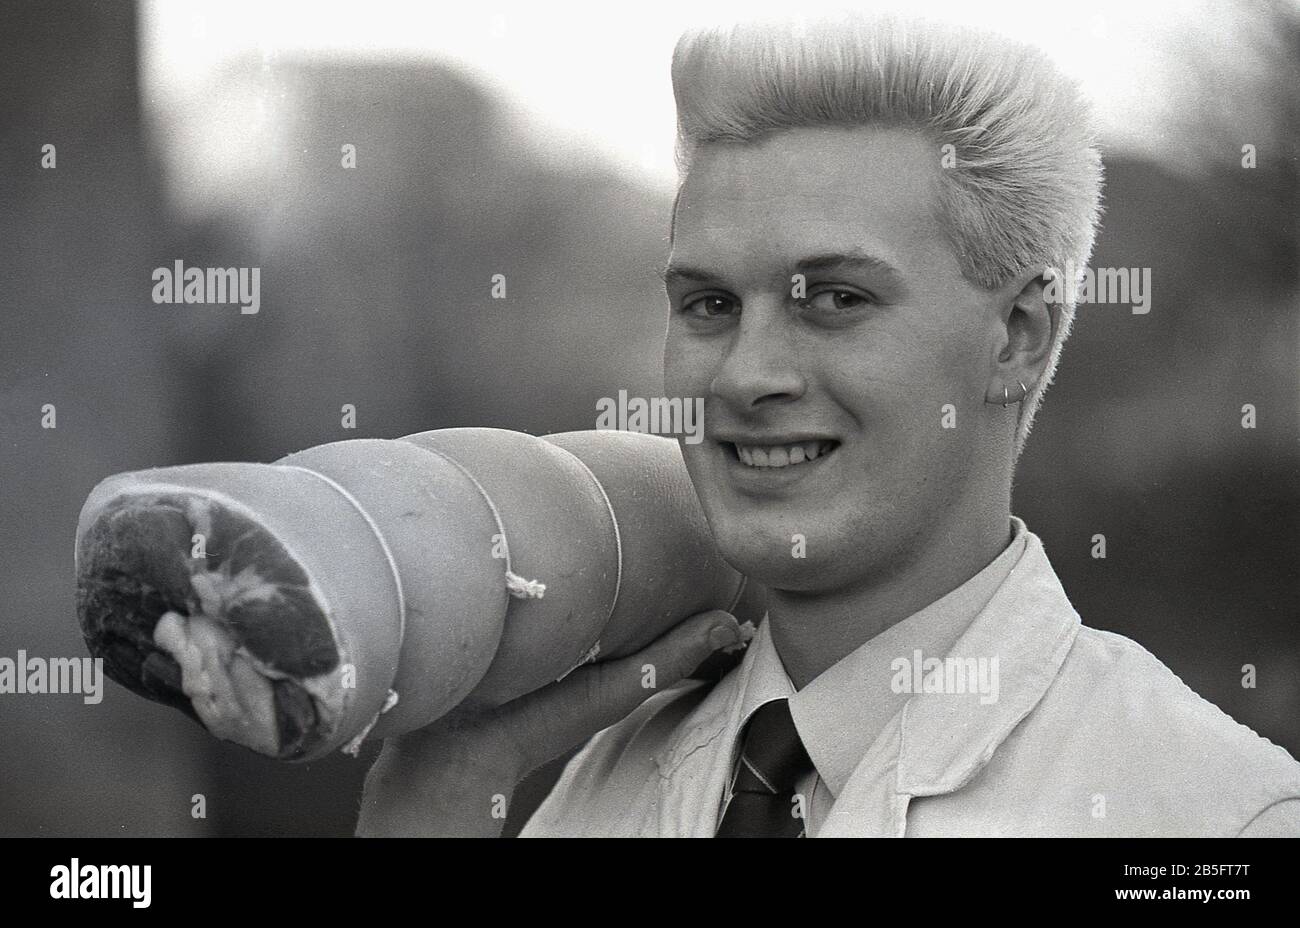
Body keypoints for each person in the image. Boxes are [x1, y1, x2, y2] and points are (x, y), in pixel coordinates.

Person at [357, 14, 1300, 837]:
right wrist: (444, 794)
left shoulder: (1216, 824)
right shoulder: (585, 792)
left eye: (837, 299)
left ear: (1018, 336)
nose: (746, 376)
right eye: (710, 304)